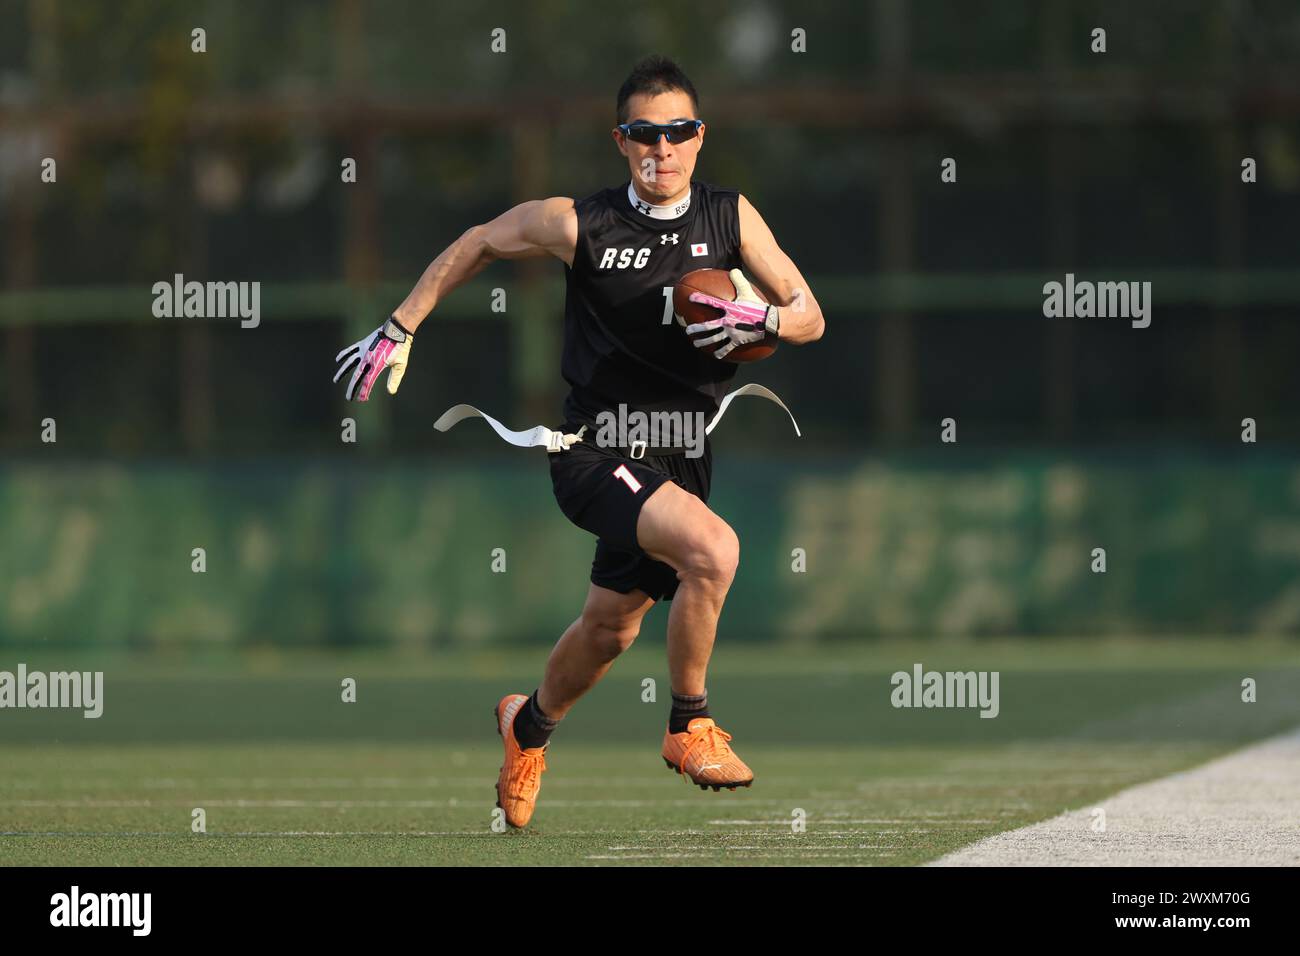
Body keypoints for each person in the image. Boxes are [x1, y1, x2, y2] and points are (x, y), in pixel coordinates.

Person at [334, 55, 824, 828]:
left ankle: (525, 728)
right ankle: (688, 725)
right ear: (620, 140)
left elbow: (808, 311)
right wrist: (402, 324)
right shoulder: (582, 222)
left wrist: (763, 319)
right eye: (643, 133)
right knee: (715, 551)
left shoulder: (730, 218)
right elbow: (480, 241)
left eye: (677, 132)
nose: (660, 149)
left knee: (609, 630)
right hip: (594, 448)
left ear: (700, 138)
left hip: (681, 453)